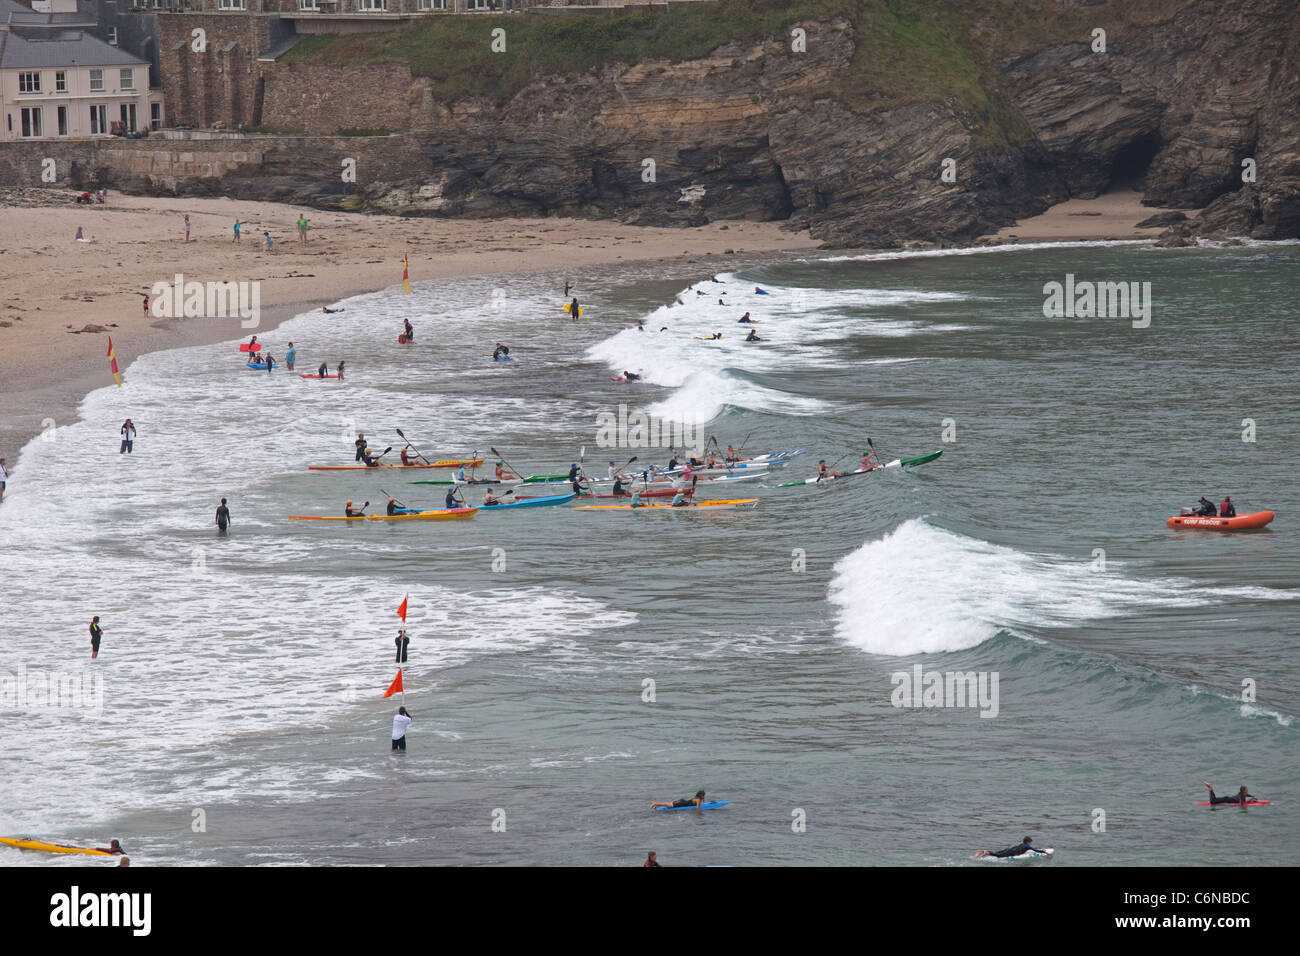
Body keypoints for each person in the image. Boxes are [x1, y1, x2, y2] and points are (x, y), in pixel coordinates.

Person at [974, 837, 1041, 859]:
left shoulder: (1022, 844)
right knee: (998, 855)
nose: (1031, 843)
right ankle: (986, 852)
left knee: (997, 852)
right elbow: (1035, 850)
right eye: (1031, 842)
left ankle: (981, 851)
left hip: (1009, 849)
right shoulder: (1027, 846)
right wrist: (1045, 852)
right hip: (1010, 852)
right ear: (1028, 842)